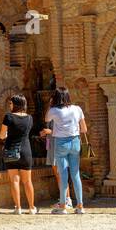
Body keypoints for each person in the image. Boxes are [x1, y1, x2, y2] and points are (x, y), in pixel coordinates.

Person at [40, 86, 87, 214]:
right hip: (75, 142)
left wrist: (50, 105)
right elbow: (84, 129)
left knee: (63, 174)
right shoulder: (77, 109)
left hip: (61, 143)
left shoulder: (54, 110)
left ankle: (63, 206)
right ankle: (80, 206)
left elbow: (46, 119)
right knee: (75, 174)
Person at [0, 94, 37, 214]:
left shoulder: (8, 117)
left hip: (11, 150)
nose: (9, 105)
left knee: (14, 180)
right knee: (27, 181)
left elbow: (1, 135)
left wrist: (6, 136)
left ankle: (18, 207)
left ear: (16, 104)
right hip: (26, 150)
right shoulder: (30, 118)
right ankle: (32, 207)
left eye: (11, 103)